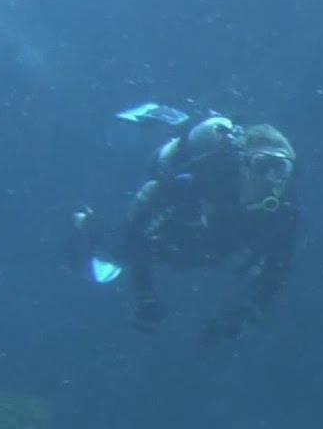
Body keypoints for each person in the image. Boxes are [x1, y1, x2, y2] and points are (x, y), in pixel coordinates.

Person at [68, 109, 300, 345]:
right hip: (174, 240)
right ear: (243, 163)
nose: (270, 179)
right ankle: (84, 222)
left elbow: (275, 274)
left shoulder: (283, 213)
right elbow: (135, 234)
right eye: (262, 165)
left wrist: (247, 317)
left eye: (281, 169)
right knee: (115, 256)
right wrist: (144, 296)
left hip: (204, 246)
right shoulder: (195, 183)